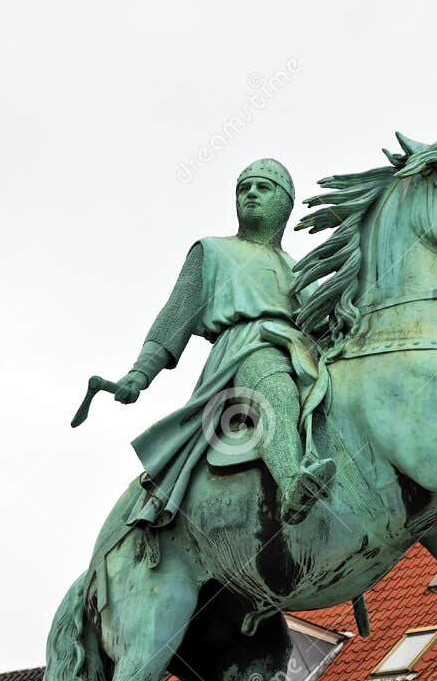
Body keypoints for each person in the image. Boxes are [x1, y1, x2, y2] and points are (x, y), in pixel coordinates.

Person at [112, 159, 335, 528]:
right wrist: (140, 373)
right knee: (272, 384)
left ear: (285, 202)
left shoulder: (299, 267)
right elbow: (175, 316)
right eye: (244, 188)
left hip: (302, 352)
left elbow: (319, 324)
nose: (250, 194)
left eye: (263, 188)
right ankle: (294, 482)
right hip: (245, 348)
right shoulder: (213, 250)